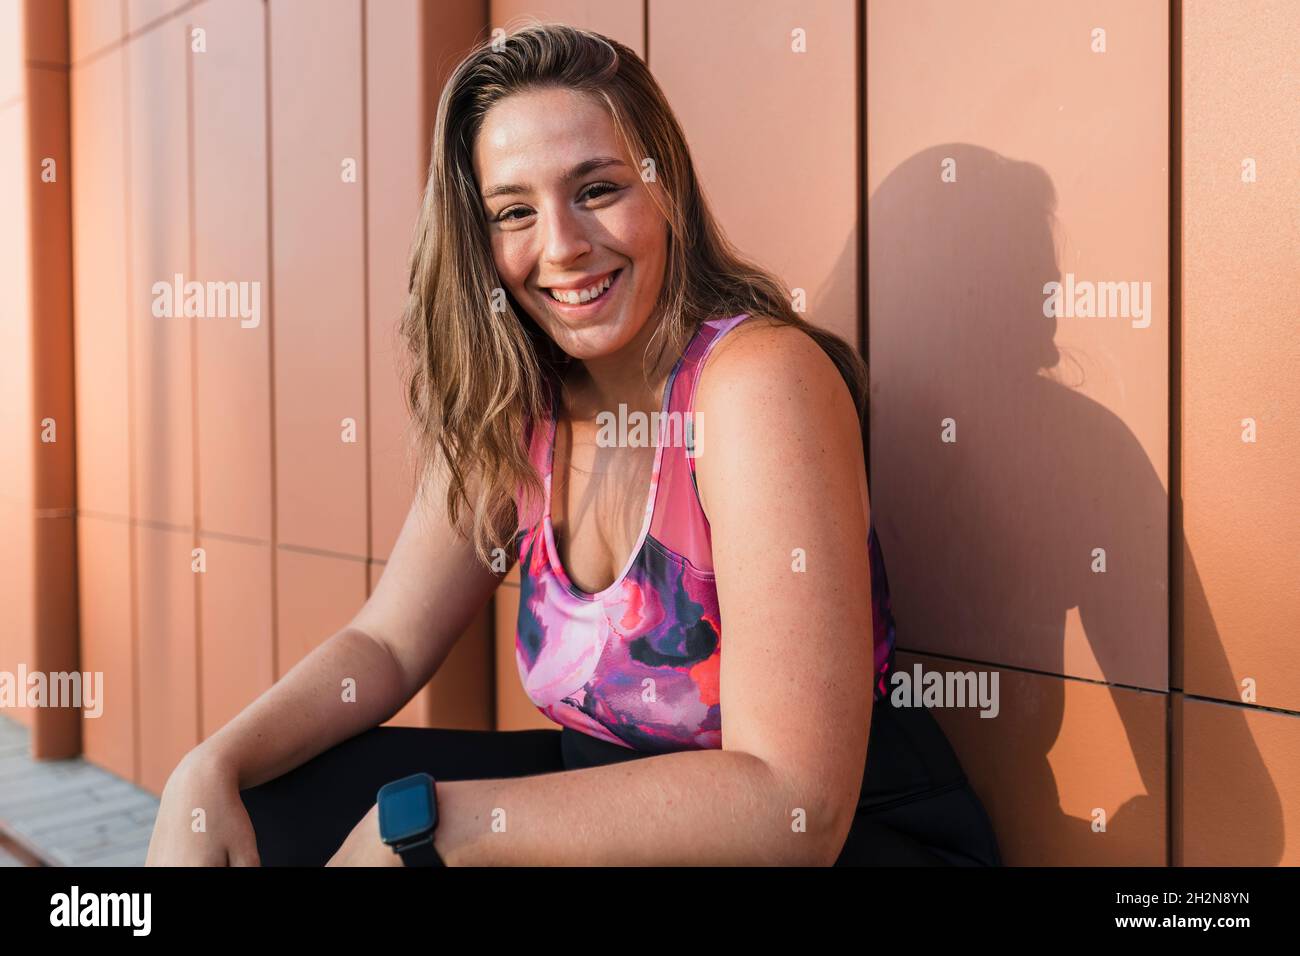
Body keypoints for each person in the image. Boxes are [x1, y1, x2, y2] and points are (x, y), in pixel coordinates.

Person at [145, 22, 1000, 867]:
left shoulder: (757, 383)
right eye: (514, 211)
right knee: (262, 807)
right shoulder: (513, 400)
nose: (561, 247)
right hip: (615, 819)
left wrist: (443, 830)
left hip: (841, 843)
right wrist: (207, 766)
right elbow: (387, 645)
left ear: (666, 189)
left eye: (596, 190)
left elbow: (794, 807)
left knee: (414, 834)